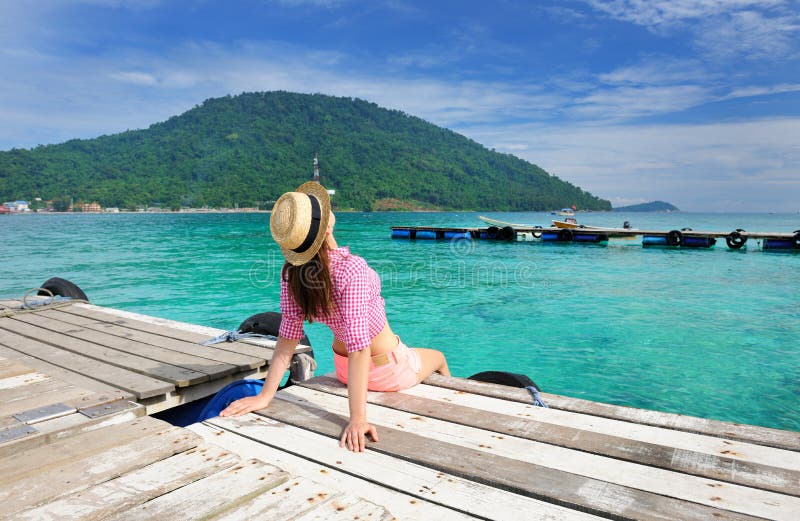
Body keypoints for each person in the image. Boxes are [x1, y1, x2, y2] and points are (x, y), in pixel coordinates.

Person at [220, 181, 450, 452]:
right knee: (439, 357)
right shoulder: (351, 269)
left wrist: (265, 396)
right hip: (386, 369)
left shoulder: (292, 274)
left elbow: (287, 339)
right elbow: (360, 348)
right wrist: (358, 419)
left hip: (344, 371)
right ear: (327, 226)